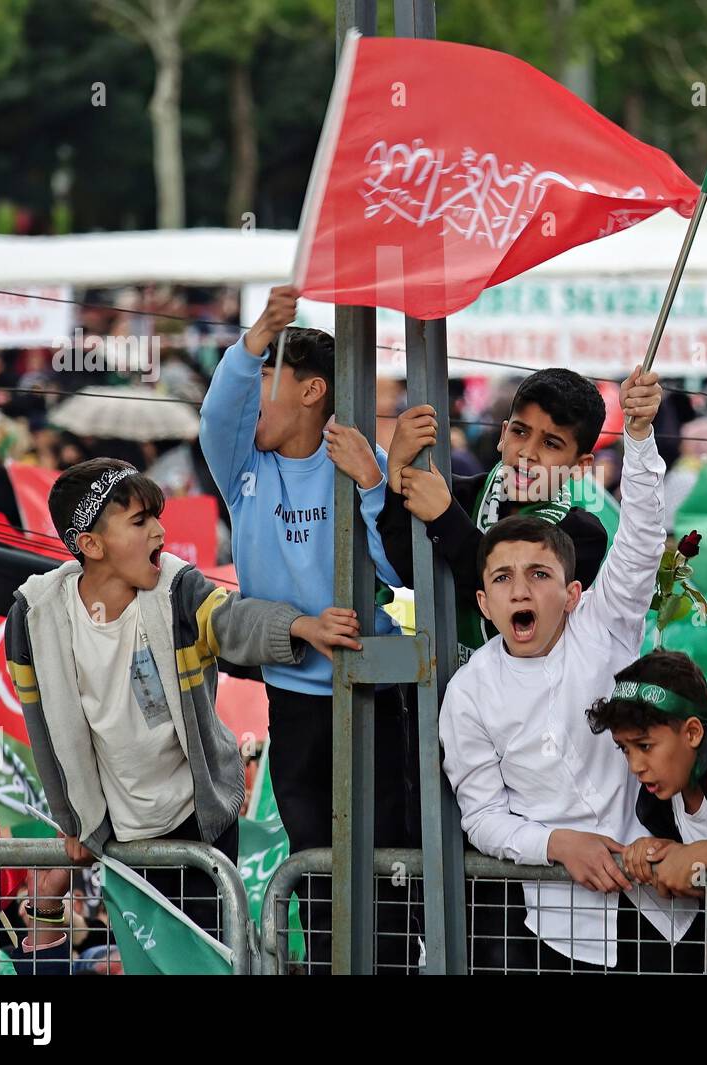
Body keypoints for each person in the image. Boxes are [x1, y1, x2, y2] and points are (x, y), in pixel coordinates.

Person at [4, 457, 358, 942]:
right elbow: (44, 732)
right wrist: (73, 820)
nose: (159, 532)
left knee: (209, 959)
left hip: (201, 826)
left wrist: (301, 626)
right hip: (122, 843)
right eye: (139, 521)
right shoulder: (35, 618)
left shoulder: (176, 589)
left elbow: (232, 621)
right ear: (90, 545)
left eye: (157, 516)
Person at [439, 366, 699, 972]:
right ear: (483, 602)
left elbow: (639, 536)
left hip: (668, 908)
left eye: (539, 575)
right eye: (501, 579)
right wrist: (559, 844)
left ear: (574, 590)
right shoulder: (469, 693)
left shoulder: (603, 626)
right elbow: (482, 816)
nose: (520, 591)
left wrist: (638, 435)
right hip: (558, 932)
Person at [198, 284, 404, 971]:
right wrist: (258, 334)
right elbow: (217, 414)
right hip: (295, 701)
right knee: (312, 860)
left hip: (371, 697)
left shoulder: (353, 456)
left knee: (381, 858)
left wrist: (373, 483)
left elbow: (399, 570)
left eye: (268, 378)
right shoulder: (244, 468)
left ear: (313, 390)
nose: (253, 393)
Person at [376, 367, 609, 661]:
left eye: (550, 443)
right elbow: (405, 570)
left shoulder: (582, 535)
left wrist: (446, 518)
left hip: (531, 700)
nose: (527, 452)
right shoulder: (457, 494)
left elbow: (511, 597)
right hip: (438, 693)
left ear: (581, 466)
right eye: (520, 432)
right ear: (503, 434)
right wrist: (397, 471)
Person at [585, 650, 707, 974]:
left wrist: (694, 855)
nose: (635, 766)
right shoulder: (657, 806)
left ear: (692, 732)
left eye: (645, 745)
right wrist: (671, 871)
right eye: (625, 749)